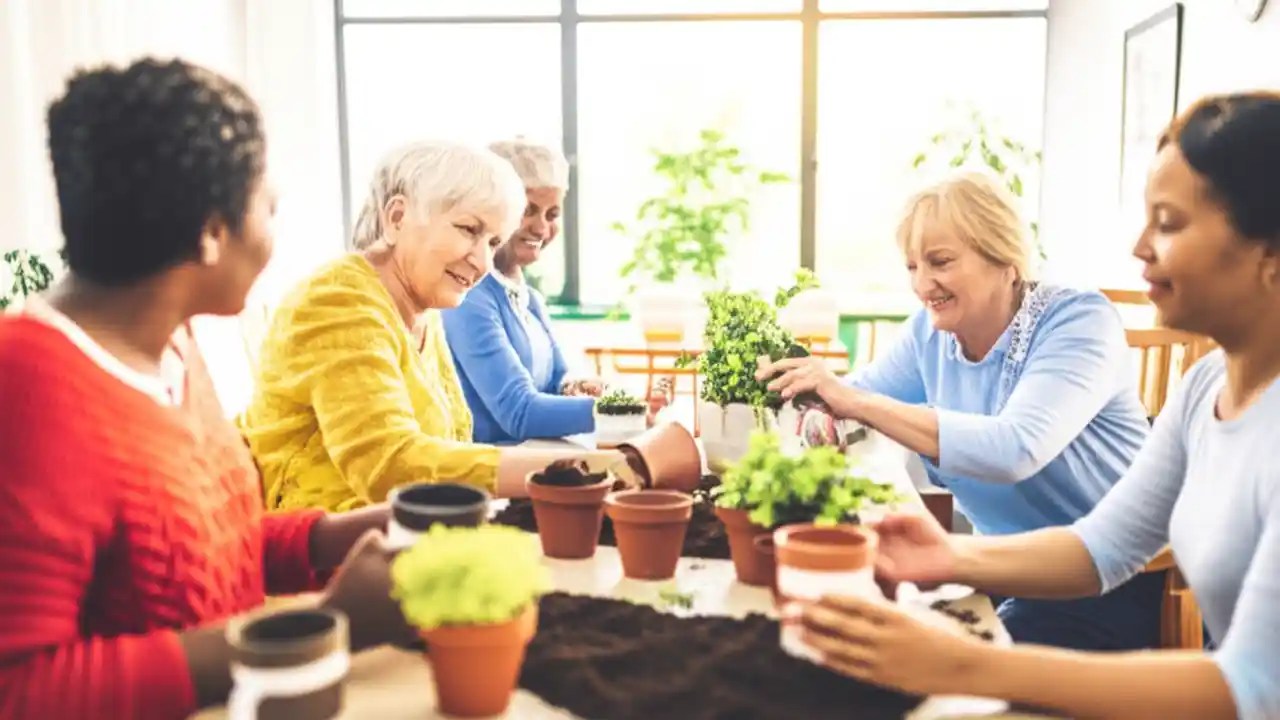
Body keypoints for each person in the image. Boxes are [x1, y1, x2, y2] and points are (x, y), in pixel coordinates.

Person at [791, 91, 1280, 719]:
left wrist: (964, 662)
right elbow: (1099, 549)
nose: (1138, 247)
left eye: (1169, 223)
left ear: (1268, 248)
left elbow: (1256, 690)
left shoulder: (1077, 320)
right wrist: (945, 555)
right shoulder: (1205, 388)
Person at [0, 57, 412, 718]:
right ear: (212, 234)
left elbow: (201, 554)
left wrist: (332, 538)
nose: (275, 234)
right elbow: (20, 689)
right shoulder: (25, 385)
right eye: (269, 209)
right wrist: (319, 629)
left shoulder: (172, 343)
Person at [757, 171, 1160, 650]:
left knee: (932, 665)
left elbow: (1016, 448)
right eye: (911, 267)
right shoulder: (930, 334)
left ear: (1003, 257)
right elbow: (847, 400)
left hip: (1112, 582)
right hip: (1007, 573)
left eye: (940, 262)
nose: (923, 284)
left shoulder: (1078, 322)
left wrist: (856, 403)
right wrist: (817, 410)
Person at [239, 139, 634, 513]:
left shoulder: (425, 309)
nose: (481, 262)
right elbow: (392, 467)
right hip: (329, 558)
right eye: (468, 229)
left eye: (494, 242)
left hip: (403, 536)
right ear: (397, 218)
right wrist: (602, 466)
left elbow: (450, 444)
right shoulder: (338, 301)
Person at [441, 137, 603, 445]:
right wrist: (620, 410)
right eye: (529, 210)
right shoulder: (469, 297)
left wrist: (578, 387)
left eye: (553, 214)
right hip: (490, 480)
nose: (542, 229)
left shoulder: (531, 299)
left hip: (535, 467)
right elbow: (519, 412)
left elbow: (558, 379)